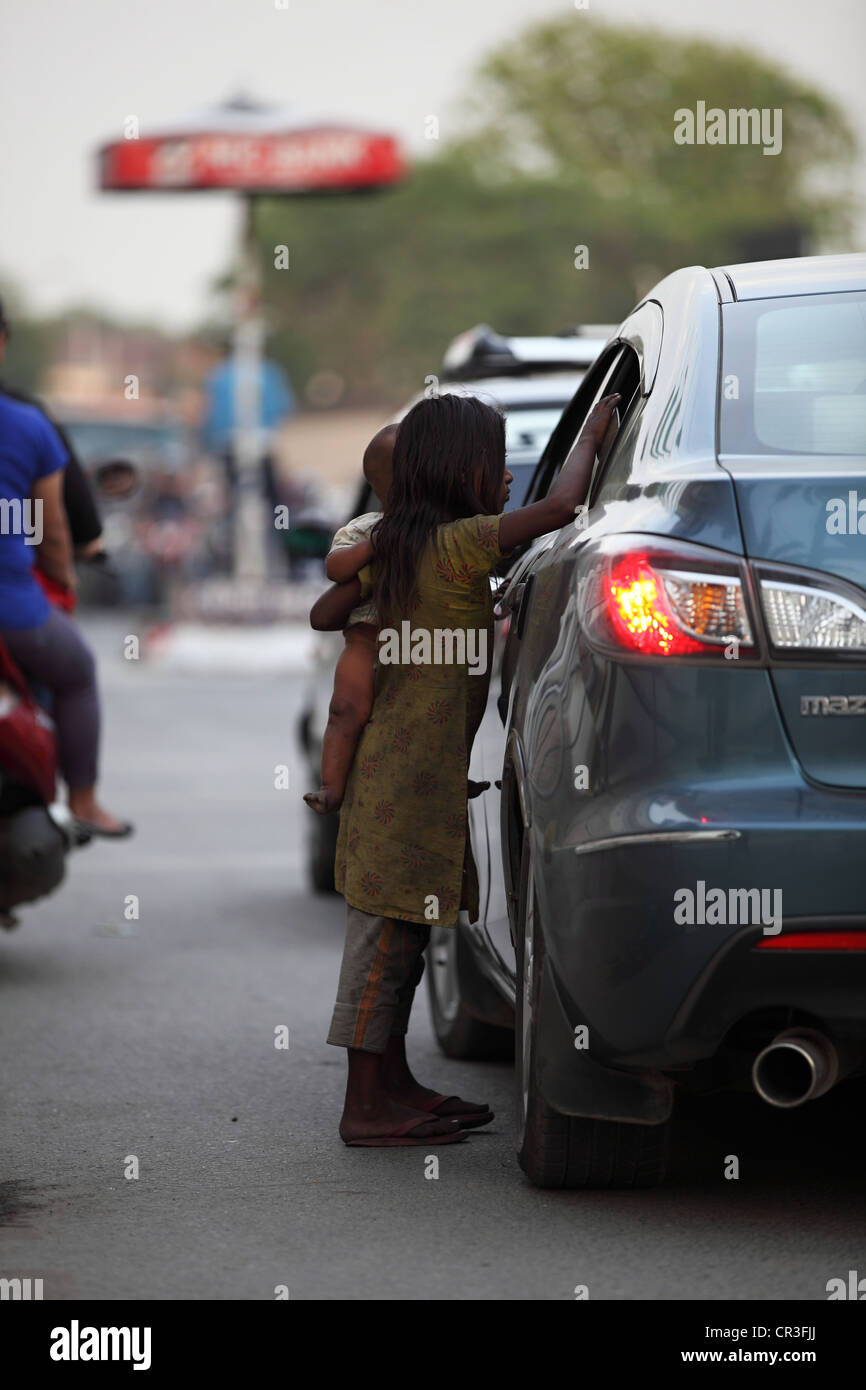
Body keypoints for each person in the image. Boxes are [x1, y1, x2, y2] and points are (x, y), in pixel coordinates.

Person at [312, 389, 620, 1147]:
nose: (510, 477)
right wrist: (595, 432)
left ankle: (394, 1085)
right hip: (400, 789)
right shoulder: (460, 546)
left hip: (416, 786)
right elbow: (560, 509)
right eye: (497, 462)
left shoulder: (410, 550)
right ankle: (363, 1107)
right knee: (382, 949)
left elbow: (329, 611)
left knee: (409, 943)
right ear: (459, 472)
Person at [0, 310, 131, 838]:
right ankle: (83, 801)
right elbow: (53, 532)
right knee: (76, 671)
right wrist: (66, 580)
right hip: (14, 606)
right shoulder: (28, 423)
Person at [303, 423, 397, 815]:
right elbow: (335, 568)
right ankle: (331, 786)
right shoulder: (364, 529)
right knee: (344, 710)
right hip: (364, 638)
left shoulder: (451, 533)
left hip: (420, 644)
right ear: (379, 488)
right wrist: (376, 547)